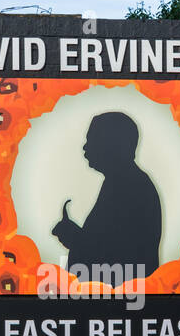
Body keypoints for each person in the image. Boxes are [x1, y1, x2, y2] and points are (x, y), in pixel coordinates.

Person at [51, 112, 162, 286]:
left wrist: (74, 237)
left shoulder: (130, 187)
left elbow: (116, 255)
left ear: (113, 145)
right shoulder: (122, 182)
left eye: (93, 140)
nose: (86, 148)